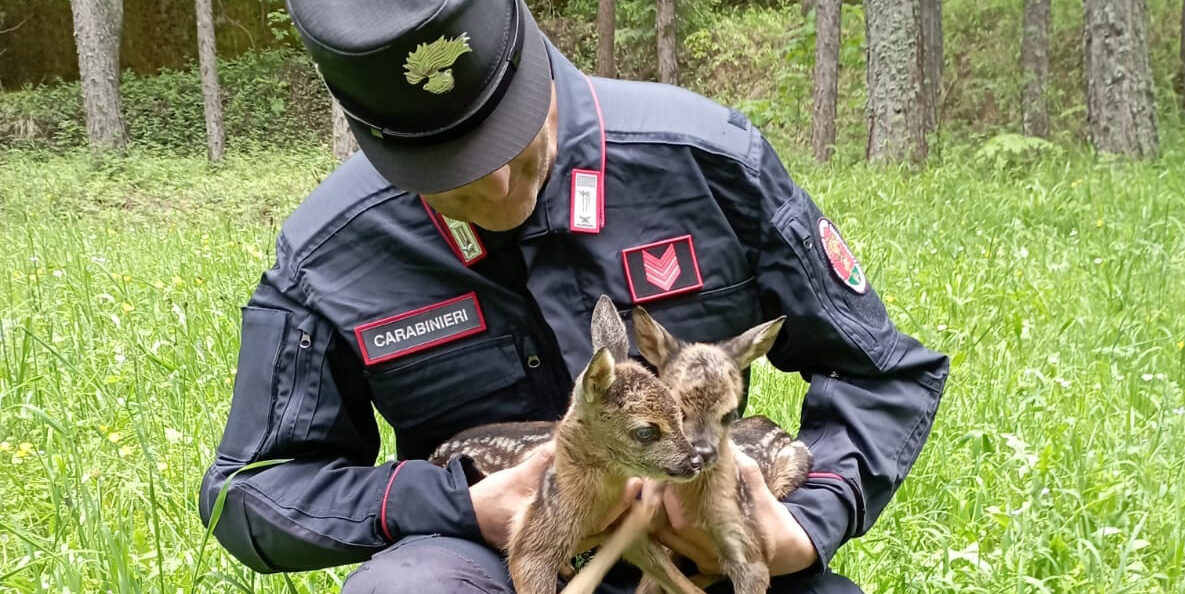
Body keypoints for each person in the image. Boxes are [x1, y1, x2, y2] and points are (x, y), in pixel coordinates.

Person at [197, 0, 949, 592]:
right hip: (487, 563)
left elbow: (882, 371)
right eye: (441, 165)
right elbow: (248, 491)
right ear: (368, 139)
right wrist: (458, 507)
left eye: (504, 131)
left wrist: (804, 527)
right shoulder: (332, 251)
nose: (492, 186)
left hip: (714, 543)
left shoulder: (705, 161)